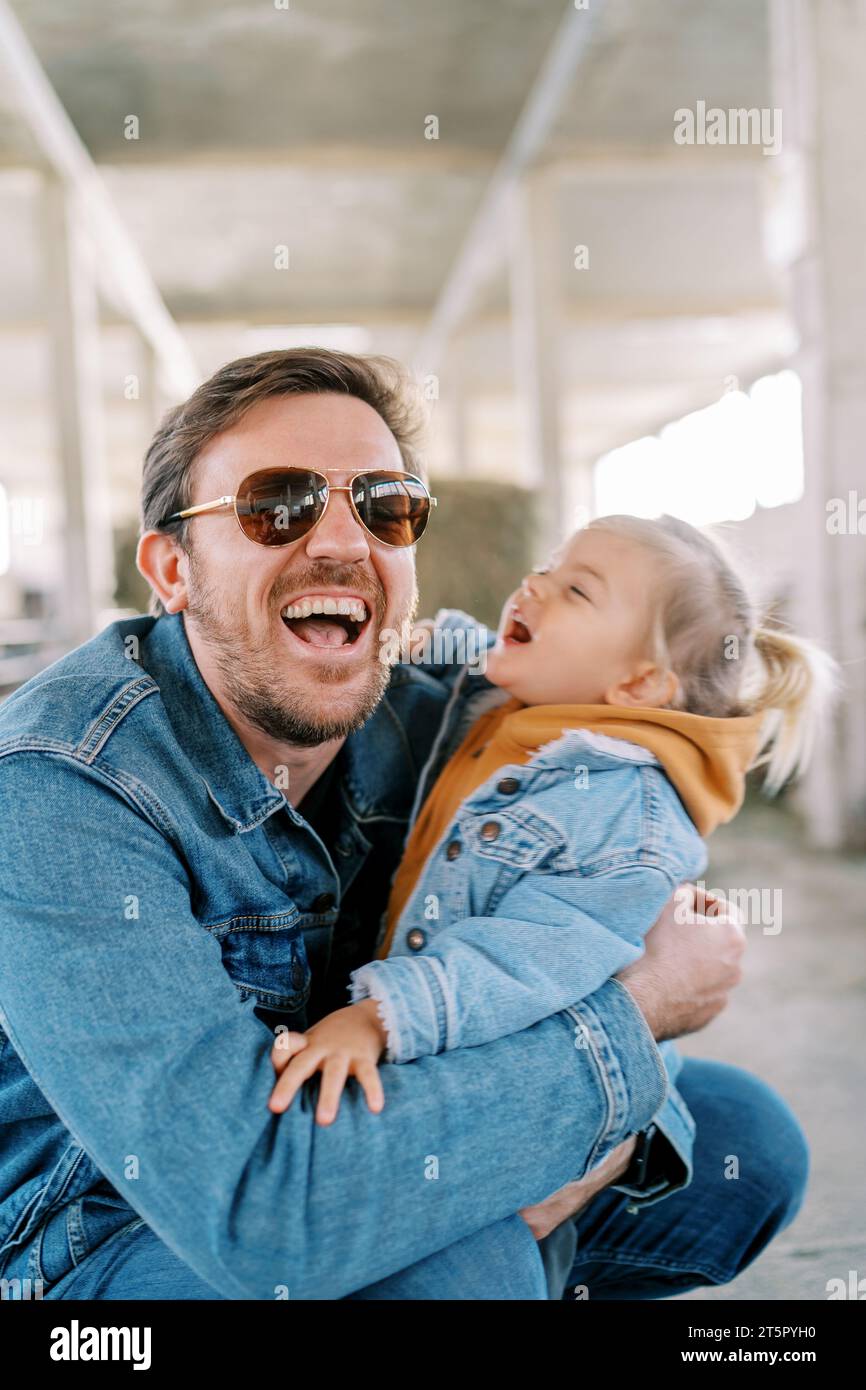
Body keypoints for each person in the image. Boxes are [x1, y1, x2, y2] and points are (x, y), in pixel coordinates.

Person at [0, 350, 807, 1301]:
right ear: (173, 568)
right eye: (280, 504)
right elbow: (255, 1211)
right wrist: (642, 1012)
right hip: (98, 1230)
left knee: (739, 1138)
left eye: (385, 506)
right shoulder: (58, 788)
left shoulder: (431, 707)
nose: (344, 544)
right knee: (469, 1264)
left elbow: (607, 798)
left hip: (360, 1113)